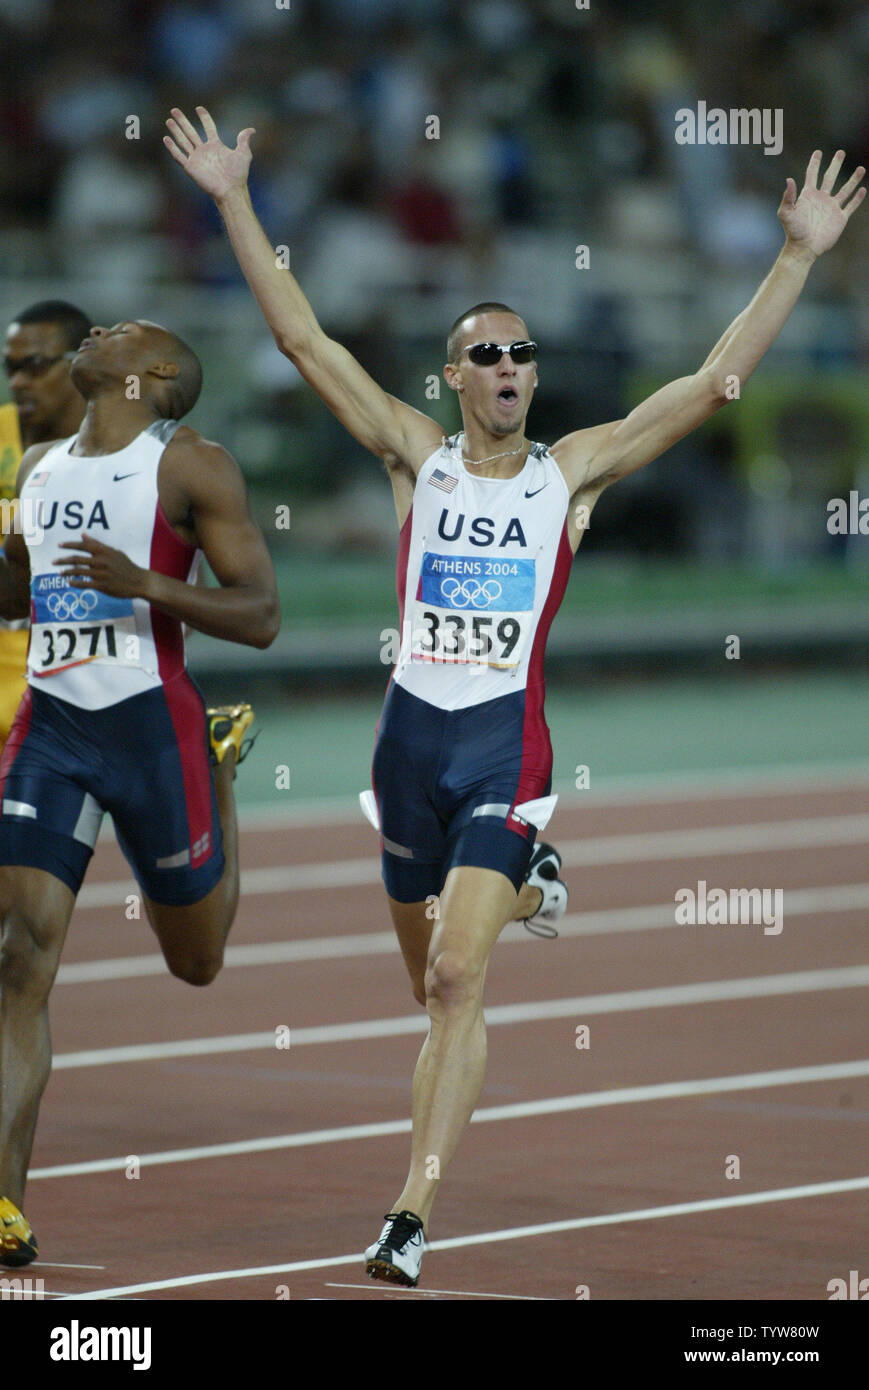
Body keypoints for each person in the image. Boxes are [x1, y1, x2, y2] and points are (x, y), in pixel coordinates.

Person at [165, 107, 864, 1287]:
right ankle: (528, 883)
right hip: (402, 755)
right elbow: (301, 342)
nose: (506, 368)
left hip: (502, 749)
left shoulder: (569, 472)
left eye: (522, 354)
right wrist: (233, 198)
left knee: (453, 975)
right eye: (484, 354)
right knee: (430, 999)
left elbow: (707, 384)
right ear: (451, 375)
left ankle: (410, 1213)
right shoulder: (411, 458)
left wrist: (793, 255)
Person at [0, 317, 280, 1267]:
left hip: (154, 731)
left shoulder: (192, 465)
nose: (99, 333)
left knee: (194, 962)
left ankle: (222, 772)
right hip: (51, 730)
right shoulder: (36, 462)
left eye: (123, 333)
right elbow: (17, 591)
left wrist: (145, 584)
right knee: (19, 956)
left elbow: (261, 616)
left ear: (153, 374)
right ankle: (5, 1208)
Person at [1, 302, 91, 751]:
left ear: (80, 364)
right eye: (10, 368)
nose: (18, 382)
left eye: (34, 366)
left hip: (83, 680)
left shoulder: (128, 454)